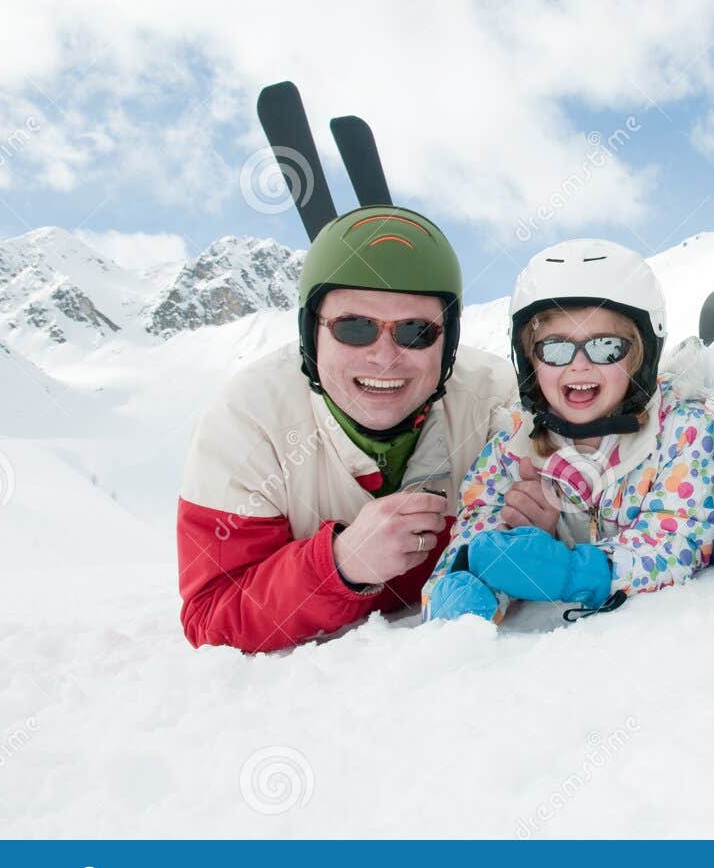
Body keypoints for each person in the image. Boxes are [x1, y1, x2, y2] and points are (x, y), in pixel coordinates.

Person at [176, 206, 515, 651]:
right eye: (354, 328)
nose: (385, 357)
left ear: (448, 342)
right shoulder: (248, 423)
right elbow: (211, 615)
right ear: (310, 333)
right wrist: (340, 565)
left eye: (416, 332)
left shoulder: (498, 405)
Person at [423, 238, 714, 623]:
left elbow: (678, 539)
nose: (579, 365)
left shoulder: (681, 434)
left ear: (641, 355)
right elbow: (477, 531)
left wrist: (575, 572)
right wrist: (463, 583)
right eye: (555, 349)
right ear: (530, 361)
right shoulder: (511, 450)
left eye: (606, 347)